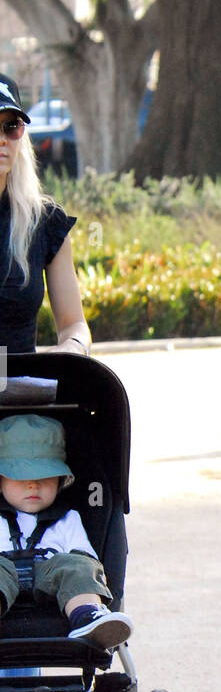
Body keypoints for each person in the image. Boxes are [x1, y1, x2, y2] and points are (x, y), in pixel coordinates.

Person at [0, 414, 132, 649]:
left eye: (44, 476)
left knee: (79, 565)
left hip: (52, 578)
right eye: (20, 476)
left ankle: (87, 616)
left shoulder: (68, 518)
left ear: (61, 479)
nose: (33, 484)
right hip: (3, 575)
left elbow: (85, 560)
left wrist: (77, 568)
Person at [0, 74, 90, 355]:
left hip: (20, 391)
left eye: (10, 127)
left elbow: (74, 324)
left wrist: (72, 349)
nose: (2, 139)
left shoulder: (45, 222)